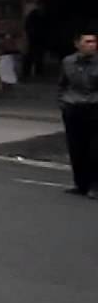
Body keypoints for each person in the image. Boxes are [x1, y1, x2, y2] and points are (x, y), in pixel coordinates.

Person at [58, 29, 98, 199]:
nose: (91, 45)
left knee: (94, 149)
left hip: (95, 106)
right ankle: (80, 184)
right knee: (76, 148)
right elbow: (62, 83)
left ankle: (94, 185)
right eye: (87, 41)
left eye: (94, 42)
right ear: (77, 44)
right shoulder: (68, 62)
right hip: (73, 107)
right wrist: (63, 102)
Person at [24, 0, 48, 80]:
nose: (42, 7)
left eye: (43, 5)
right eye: (41, 5)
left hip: (42, 38)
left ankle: (39, 73)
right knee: (30, 55)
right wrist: (30, 33)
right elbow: (27, 25)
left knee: (40, 56)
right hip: (33, 38)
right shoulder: (33, 14)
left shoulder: (45, 15)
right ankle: (26, 73)